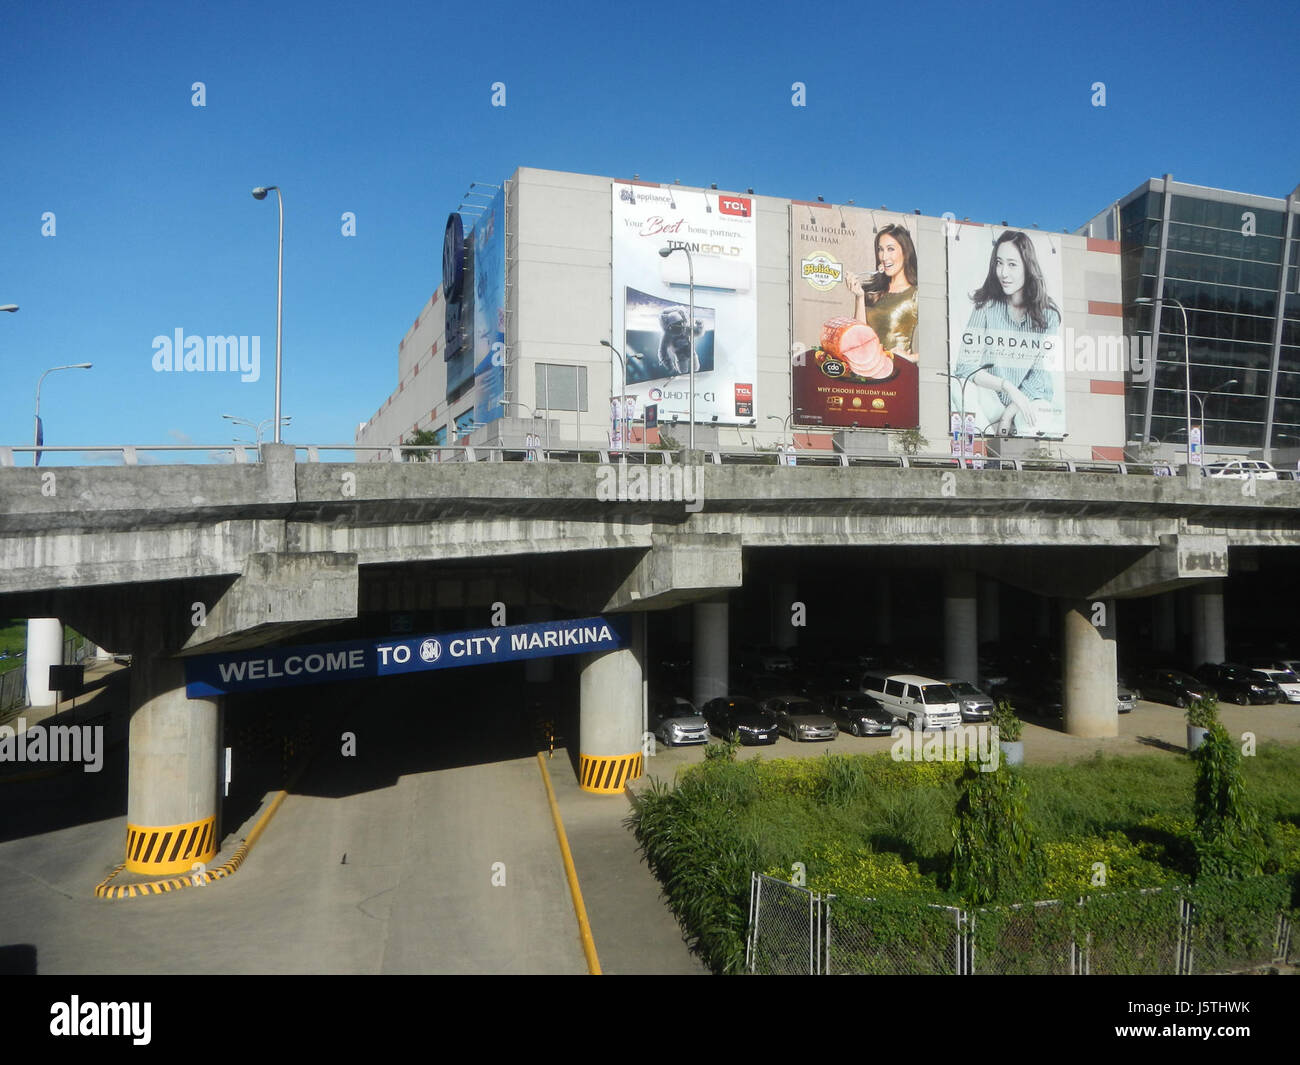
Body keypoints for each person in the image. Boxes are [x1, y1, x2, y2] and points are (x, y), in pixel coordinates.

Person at [955, 230, 1062, 436]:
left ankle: (1028, 461)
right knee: (959, 386)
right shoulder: (985, 306)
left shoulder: (1049, 316)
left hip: (1030, 399)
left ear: (1028, 268)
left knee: (1035, 418)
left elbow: (1040, 376)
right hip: (992, 397)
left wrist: (1010, 412)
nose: (1003, 273)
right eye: (999, 262)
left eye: (1012, 264)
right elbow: (965, 366)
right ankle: (978, 448)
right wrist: (1007, 387)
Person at [842, 224, 919, 364]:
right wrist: (859, 297)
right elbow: (860, 337)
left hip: (898, 374)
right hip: (867, 371)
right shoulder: (873, 291)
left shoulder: (916, 294)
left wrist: (911, 357)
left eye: (891, 249)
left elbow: (940, 347)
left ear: (905, 253)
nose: (884, 256)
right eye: (880, 250)